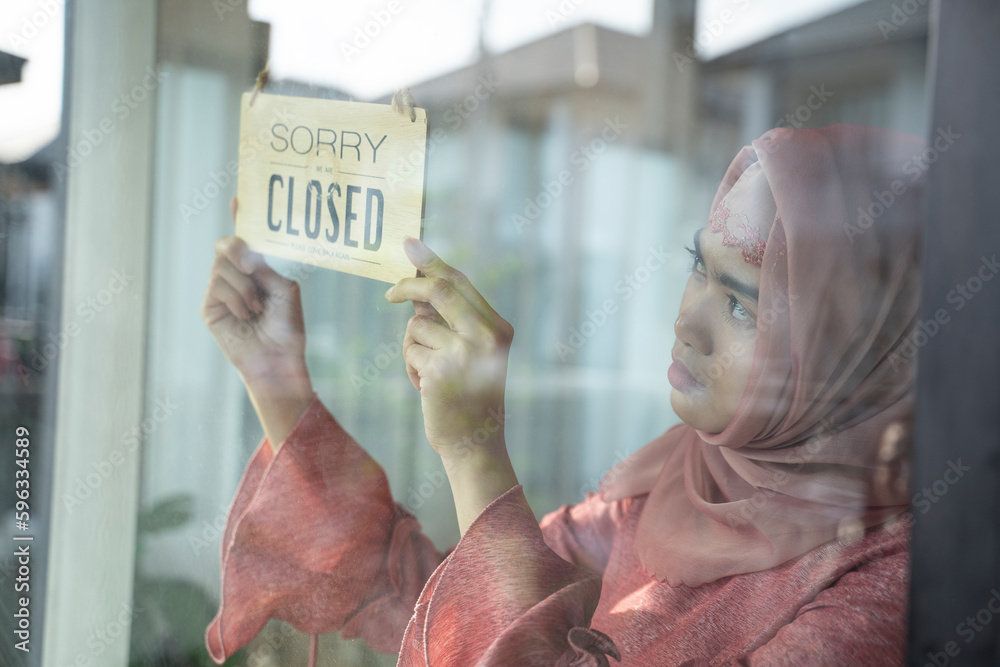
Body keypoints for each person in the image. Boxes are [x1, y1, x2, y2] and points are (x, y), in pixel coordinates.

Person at [201, 124, 923, 666]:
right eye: (698, 267)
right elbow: (434, 605)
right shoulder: (675, 490)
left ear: (855, 348)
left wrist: (477, 452)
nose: (686, 321)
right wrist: (276, 381)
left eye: (742, 303)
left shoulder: (885, 591)